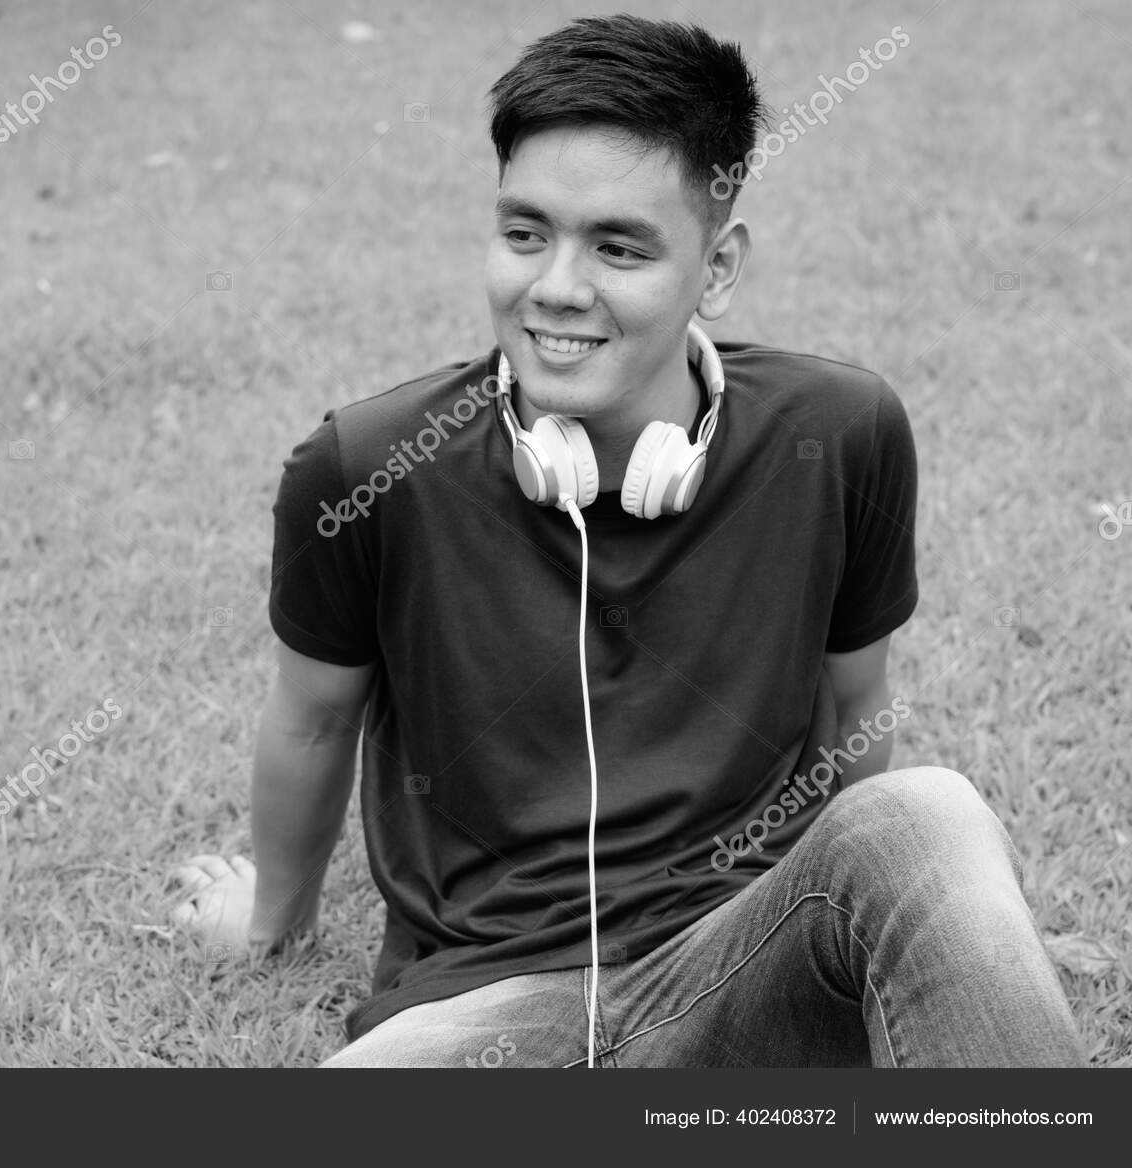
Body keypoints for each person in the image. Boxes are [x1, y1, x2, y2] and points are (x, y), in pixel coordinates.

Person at [170, 14, 1085, 1068]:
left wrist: (911, 934)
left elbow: (856, 709)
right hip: (484, 1011)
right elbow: (314, 718)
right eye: (525, 233)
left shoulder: (838, 432)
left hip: (749, 972)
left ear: (717, 267)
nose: (556, 287)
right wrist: (270, 922)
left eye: (618, 247)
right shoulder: (366, 466)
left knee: (926, 815)